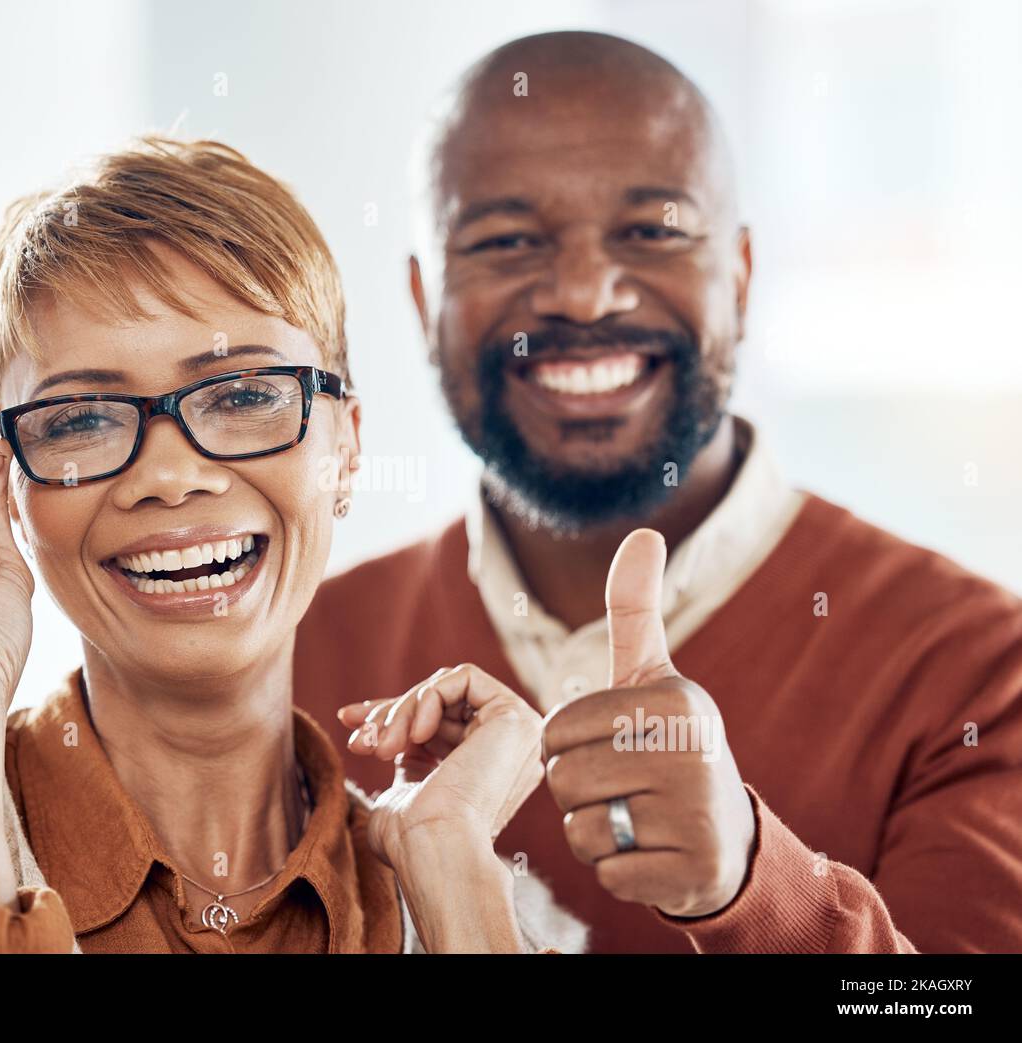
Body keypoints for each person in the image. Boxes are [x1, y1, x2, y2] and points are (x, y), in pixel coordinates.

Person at [0, 135, 587, 955]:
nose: (170, 478)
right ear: (10, 486)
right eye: (83, 418)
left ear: (347, 451)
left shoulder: (491, 901)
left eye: (245, 395)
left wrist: (461, 898)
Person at [294, 31, 1022, 953]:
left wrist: (753, 885)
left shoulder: (979, 668)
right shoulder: (296, 653)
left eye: (653, 230)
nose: (588, 295)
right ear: (421, 297)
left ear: (744, 277)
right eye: (507, 239)